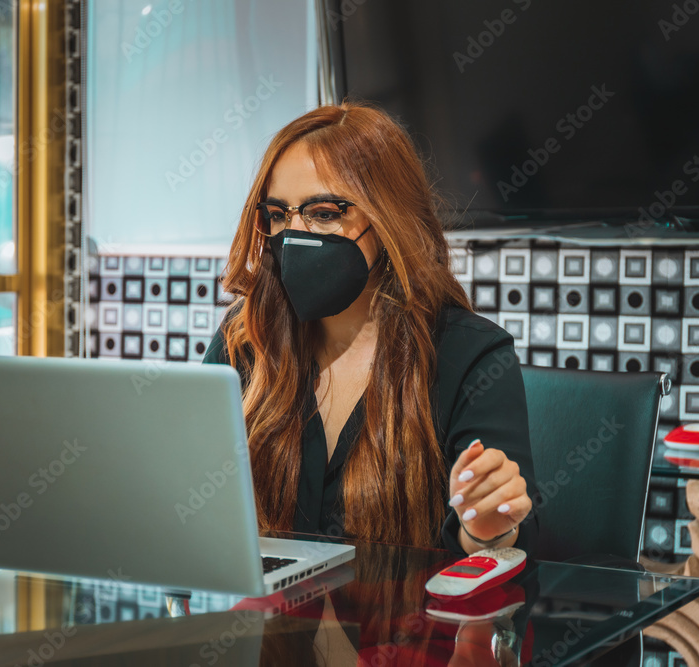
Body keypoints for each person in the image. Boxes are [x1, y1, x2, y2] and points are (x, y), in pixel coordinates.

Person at [203, 102, 536, 556]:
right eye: (278, 215)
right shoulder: (245, 341)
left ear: (387, 218)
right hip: (264, 624)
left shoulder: (469, 356)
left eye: (322, 212)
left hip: (412, 624)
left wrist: (486, 527)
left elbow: (505, 544)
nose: (295, 234)